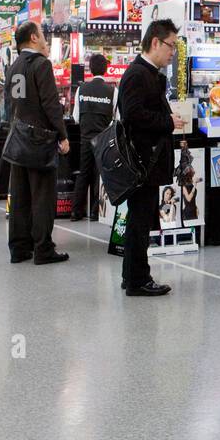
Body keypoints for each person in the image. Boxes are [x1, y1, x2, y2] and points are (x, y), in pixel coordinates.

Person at [117, 18, 184, 296]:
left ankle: (132, 274)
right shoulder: (137, 74)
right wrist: (168, 122)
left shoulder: (150, 74)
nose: (173, 53)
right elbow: (133, 115)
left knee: (141, 220)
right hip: (141, 162)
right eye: (170, 46)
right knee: (139, 221)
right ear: (155, 42)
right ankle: (137, 280)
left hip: (148, 162)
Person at [5, 20, 70, 265]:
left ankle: (19, 248)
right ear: (33, 37)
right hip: (40, 141)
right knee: (43, 196)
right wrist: (62, 135)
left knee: (20, 196)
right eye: (42, 34)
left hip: (18, 138)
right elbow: (51, 104)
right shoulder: (41, 65)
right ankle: (43, 249)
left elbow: (11, 105)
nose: (44, 39)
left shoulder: (13, 67)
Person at [71, 53, 115, 222]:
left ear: (90, 69)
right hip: (103, 140)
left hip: (85, 138)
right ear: (106, 69)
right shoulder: (113, 91)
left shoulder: (81, 89)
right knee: (99, 174)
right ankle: (97, 212)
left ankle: (76, 211)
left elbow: (75, 117)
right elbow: (116, 118)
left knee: (83, 173)